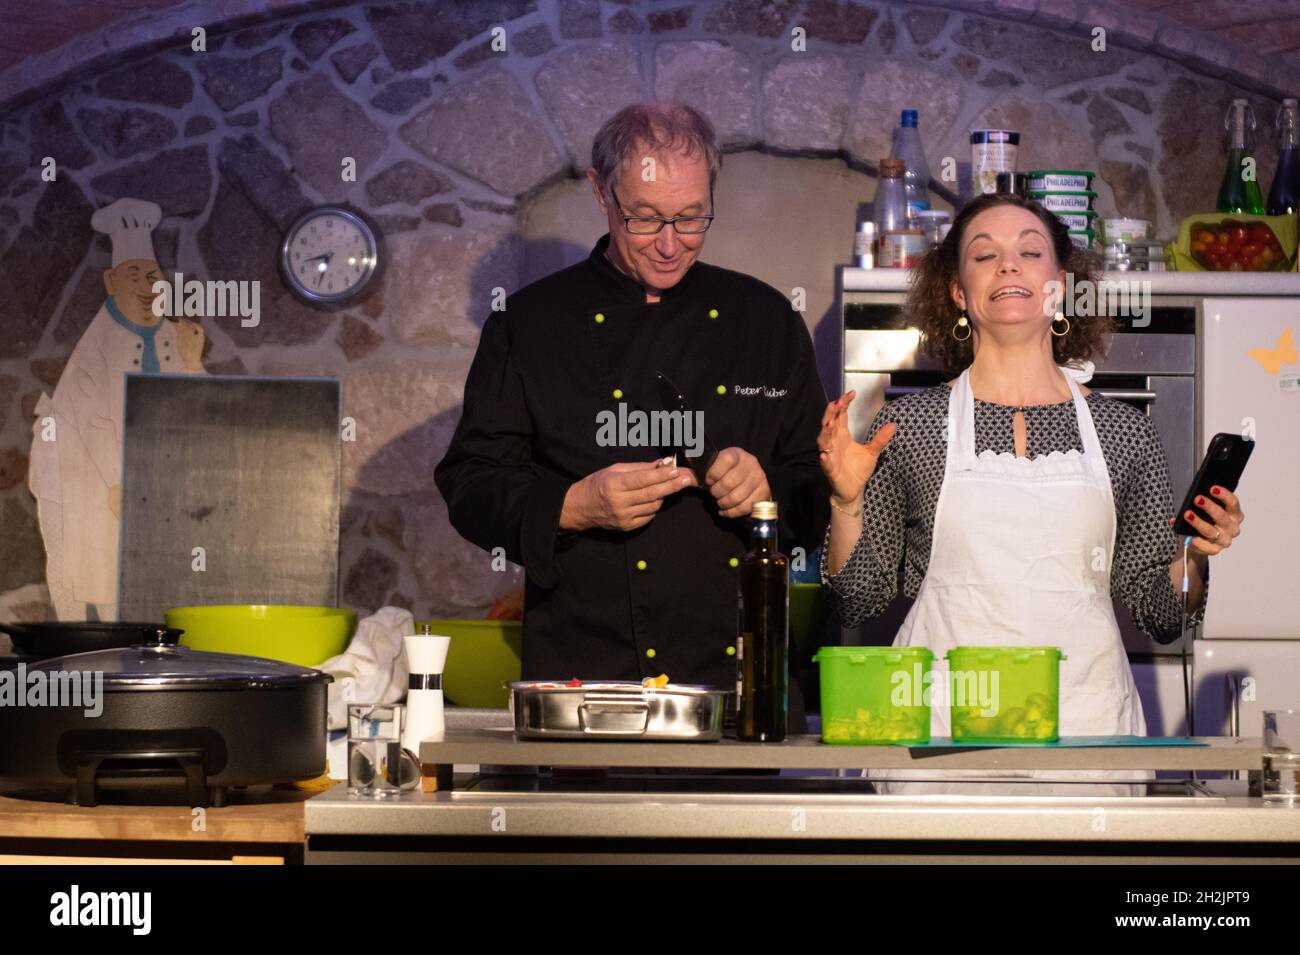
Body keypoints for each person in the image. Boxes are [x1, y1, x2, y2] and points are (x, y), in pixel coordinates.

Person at [817, 193, 1245, 794]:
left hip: (1087, 735)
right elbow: (855, 601)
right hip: (940, 741)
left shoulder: (1125, 432)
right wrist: (844, 503)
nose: (1009, 266)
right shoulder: (908, 427)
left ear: (1061, 285)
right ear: (959, 293)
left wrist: (1195, 556)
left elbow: (1162, 613)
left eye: (1030, 252)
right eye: (985, 255)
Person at [435, 103, 829, 732]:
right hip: (585, 690)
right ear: (601, 191)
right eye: (644, 218)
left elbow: (819, 489)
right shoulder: (531, 324)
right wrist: (573, 505)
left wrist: (768, 492)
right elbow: (469, 484)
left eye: (692, 217)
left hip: (737, 691)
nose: (671, 243)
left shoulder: (766, 322)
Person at [28, 197, 206, 621]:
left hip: (143, 474)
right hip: (74, 469)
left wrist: (193, 360)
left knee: (138, 565)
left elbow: (199, 411)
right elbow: (89, 419)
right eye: (133, 277)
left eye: (152, 276)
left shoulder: (171, 334)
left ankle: (135, 639)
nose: (147, 288)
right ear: (111, 282)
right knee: (84, 559)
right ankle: (78, 643)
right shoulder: (96, 347)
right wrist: (113, 483)